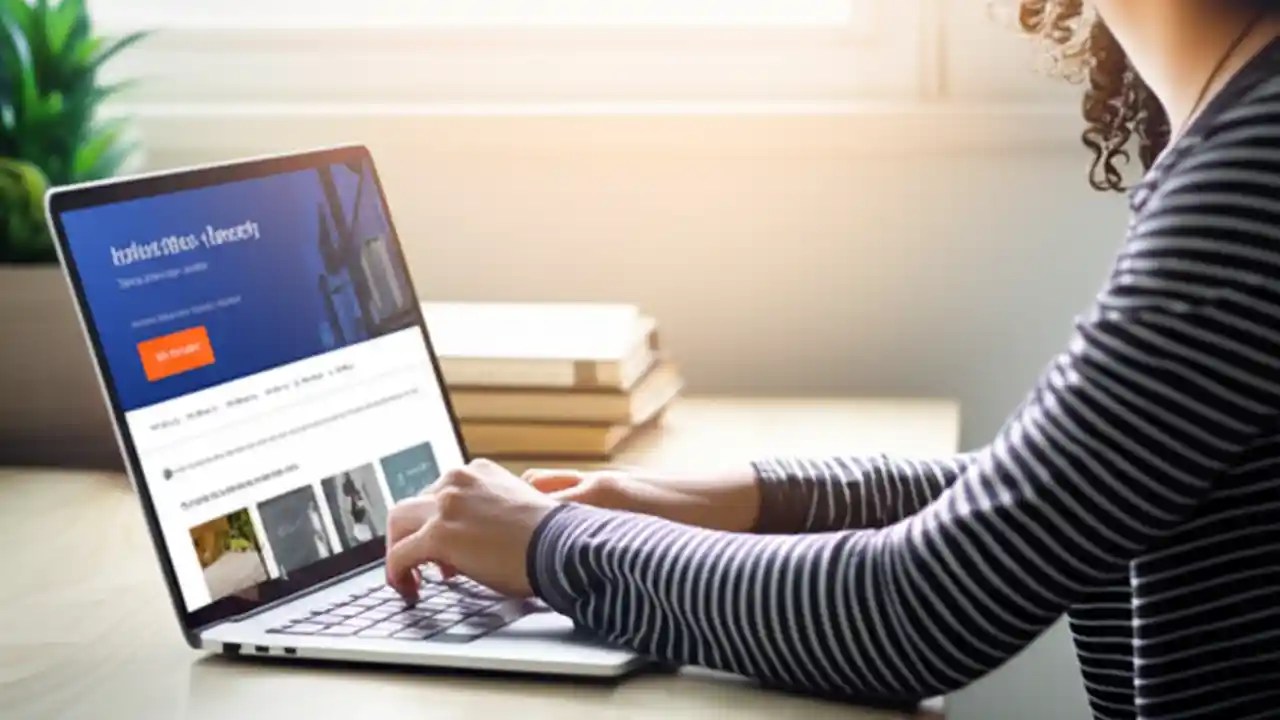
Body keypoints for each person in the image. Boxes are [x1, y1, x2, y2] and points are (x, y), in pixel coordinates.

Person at [385, 2, 1280, 718]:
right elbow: (1057, 496)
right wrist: (734, 498)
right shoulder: (1236, 120)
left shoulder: (1252, 169)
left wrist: (551, 547)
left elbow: (921, 607)